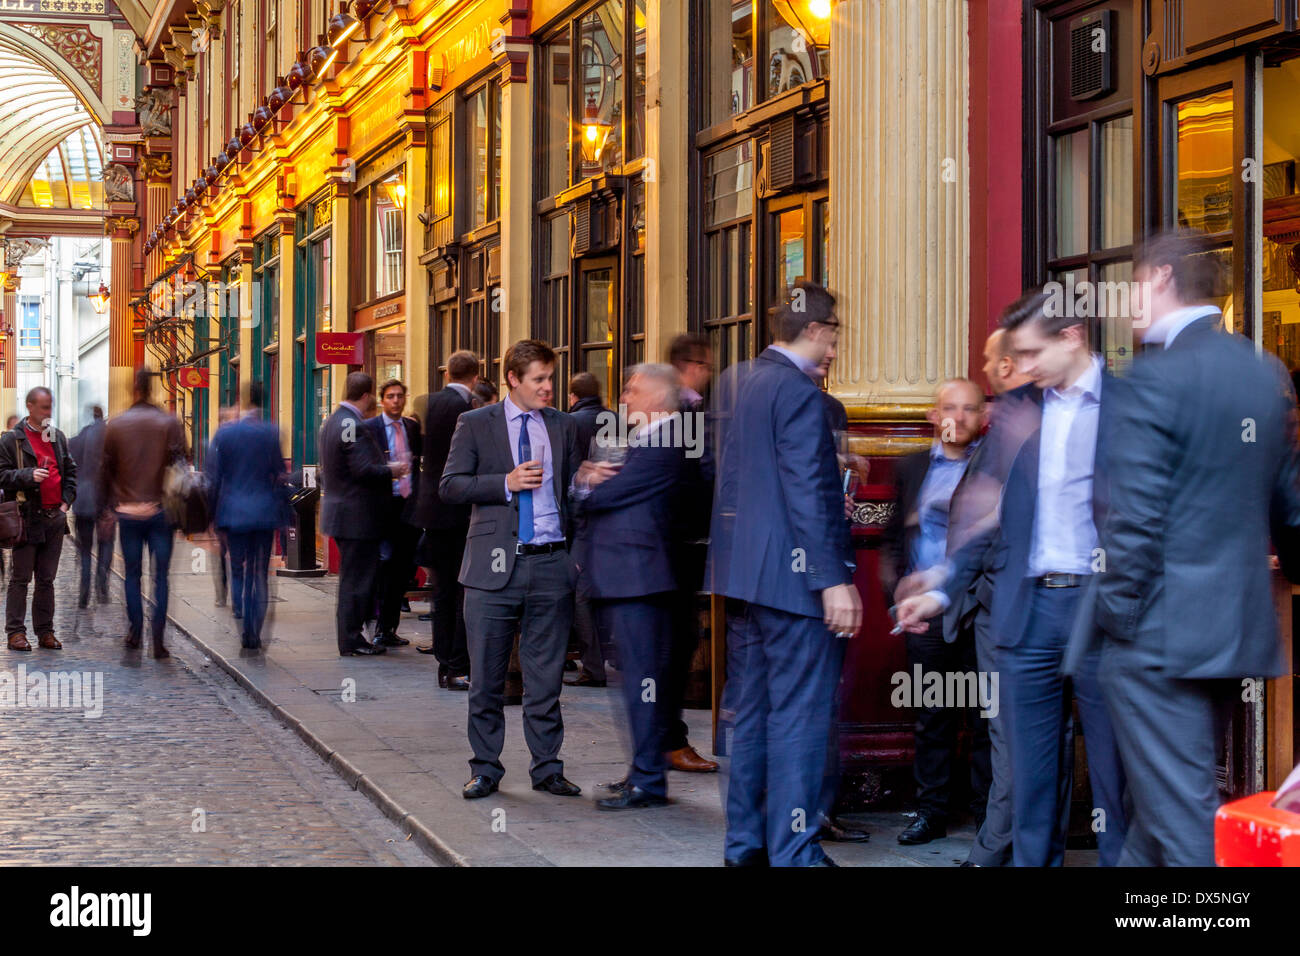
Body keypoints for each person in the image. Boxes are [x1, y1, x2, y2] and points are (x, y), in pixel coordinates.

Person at [1086, 231, 1300, 865]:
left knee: (1181, 831)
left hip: (1158, 637)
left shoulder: (1155, 376)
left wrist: (1118, 620)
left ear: (1157, 277)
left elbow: (1135, 517)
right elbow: (1287, 501)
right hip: (1231, 631)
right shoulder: (1264, 371)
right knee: (1160, 817)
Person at [896, 293, 1129, 867]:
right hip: (1027, 615)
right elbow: (981, 515)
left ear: (1072, 336)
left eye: (1031, 353)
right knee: (1028, 778)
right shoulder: (1019, 412)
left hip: (1107, 612)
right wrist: (941, 585)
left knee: (1115, 779)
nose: (1022, 368)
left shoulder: (1132, 405)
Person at [708, 281, 861, 867]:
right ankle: (795, 851)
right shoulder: (800, 391)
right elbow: (805, 490)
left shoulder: (738, 380)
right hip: (795, 583)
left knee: (750, 718)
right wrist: (833, 578)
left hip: (744, 577)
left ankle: (745, 846)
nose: (836, 348)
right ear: (818, 330)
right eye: (836, 334)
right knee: (799, 719)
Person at [440, 339, 583, 800]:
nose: (548, 388)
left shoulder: (563, 426)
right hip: (491, 569)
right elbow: (450, 486)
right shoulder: (475, 423)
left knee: (547, 678)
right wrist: (505, 482)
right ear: (513, 380)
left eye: (550, 379)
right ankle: (486, 768)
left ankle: (547, 768)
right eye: (538, 379)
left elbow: (575, 492)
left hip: (551, 565)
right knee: (486, 677)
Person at [880, 378, 990, 845]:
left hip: (980, 608)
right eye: (950, 408)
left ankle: (990, 819)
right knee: (932, 715)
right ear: (933, 415)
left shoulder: (994, 468)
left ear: (983, 418)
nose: (958, 418)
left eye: (969, 409)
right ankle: (932, 812)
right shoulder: (910, 467)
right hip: (923, 614)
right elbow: (891, 541)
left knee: (987, 718)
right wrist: (898, 598)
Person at [574, 364, 687, 809]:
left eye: (633, 391)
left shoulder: (667, 441)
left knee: (643, 681)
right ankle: (642, 771)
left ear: (657, 399)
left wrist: (587, 482)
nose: (624, 398)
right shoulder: (647, 440)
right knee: (640, 681)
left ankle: (648, 782)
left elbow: (606, 496)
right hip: (633, 577)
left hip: (642, 578)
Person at [949, 317, 1037, 868]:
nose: (983, 370)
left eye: (988, 361)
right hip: (1019, 602)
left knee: (1010, 733)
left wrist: (955, 587)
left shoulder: (1016, 424)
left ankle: (994, 851)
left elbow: (987, 525)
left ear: (1007, 365)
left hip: (1011, 605)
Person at [100, 368, 186, 658]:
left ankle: (135, 631)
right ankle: (158, 639)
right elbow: (181, 464)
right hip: (161, 511)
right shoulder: (169, 423)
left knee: (132, 575)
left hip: (127, 512)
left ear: (134, 389)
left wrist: (108, 509)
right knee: (161, 576)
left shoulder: (116, 425)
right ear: (153, 389)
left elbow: (106, 470)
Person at [320, 371, 407, 657]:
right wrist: (392, 470)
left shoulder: (332, 421)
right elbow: (362, 471)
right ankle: (352, 640)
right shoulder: (351, 425)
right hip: (357, 516)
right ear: (368, 396)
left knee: (351, 579)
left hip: (343, 513)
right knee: (356, 581)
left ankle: (351, 637)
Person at [663, 333, 720, 772]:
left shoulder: (687, 411)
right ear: (691, 365)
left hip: (680, 544)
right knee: (675, 645)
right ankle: (667, 742)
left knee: (674, 645)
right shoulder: (681, 413)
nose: (709, 373)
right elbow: (691, 475)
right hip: (677, 546)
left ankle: (663, 743)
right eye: (704, 365)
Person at [206, 381, 289, 649]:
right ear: (263, 401)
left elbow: (214, 478)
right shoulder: (271, 432)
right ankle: (255, 629)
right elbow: (278, 473)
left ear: (242, 400)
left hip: (233, 512)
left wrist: (212, 516)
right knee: (260, 573)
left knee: (237, 567)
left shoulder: (225, 434)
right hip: (263, 512)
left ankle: (242, 618)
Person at [413, 351, 478, 689]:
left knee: (441, 592)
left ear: (447, 372)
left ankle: (445, 663)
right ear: (476, 376)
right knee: (460, 591)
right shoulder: (469, 410)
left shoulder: (426, 403)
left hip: (431, 510)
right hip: (458, 511)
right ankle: (455, 665)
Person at [0, 387, 76, 651]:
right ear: (30, 407)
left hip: (54, 517)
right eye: (44, 407)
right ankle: (15, 633)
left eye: (50, 406)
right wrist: (28, 475)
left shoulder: (57, 437)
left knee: (47, 579)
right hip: (25, 516)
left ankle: (45, 632)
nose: (48, 412)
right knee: (20, 578)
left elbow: (71, 471)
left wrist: (66, 502)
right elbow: (2, 475)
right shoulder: (12, 440)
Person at [364, 378, 422, 649]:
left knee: (401, 571)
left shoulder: (412, 427)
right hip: (382, 507)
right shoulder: (370, 429)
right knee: (384, 567)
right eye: (390, 396)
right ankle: (376, 625)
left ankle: (390, 628)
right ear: (382, 400)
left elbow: (418, 461)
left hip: (408, 507)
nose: (396, 401)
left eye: (400, 396)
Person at [565, 371, 611, 688]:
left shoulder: (571, 423)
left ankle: (592, 665)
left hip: (583, 522)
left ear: (572, 397)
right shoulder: (618, 421)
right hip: (614, 520)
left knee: (579, 593)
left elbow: (569, 475)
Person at [68, 405, 112, 608]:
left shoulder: (78, 439)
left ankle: (84, 591)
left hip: (82, 500)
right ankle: (102, 587)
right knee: (106, 545)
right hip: (103, 500)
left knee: (85, 549)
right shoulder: (108, 438)